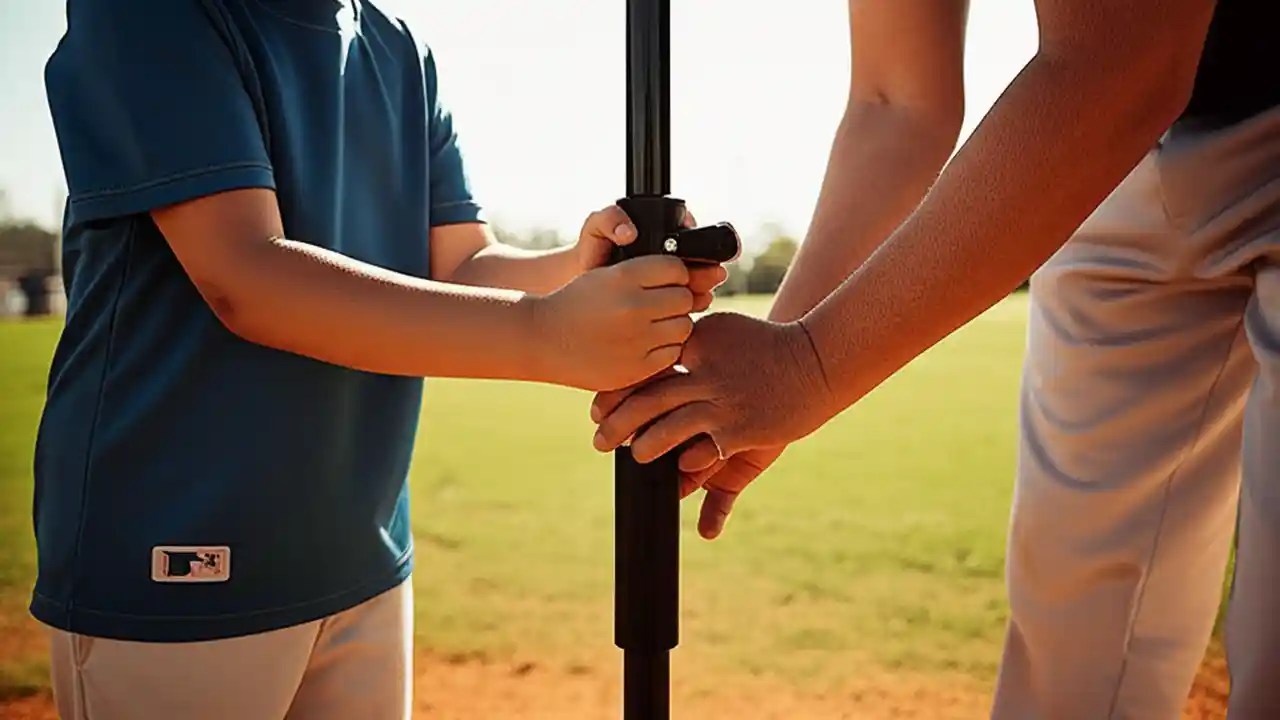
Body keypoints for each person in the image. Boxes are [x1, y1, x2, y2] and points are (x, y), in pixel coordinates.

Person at [34, 1, 723, 718]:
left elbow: (460, 266)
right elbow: (245, 276)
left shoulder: (396, 49)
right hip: (175, 554)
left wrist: (586, 273)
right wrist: (548, 333)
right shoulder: (147, 13)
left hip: (362, 553)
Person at [592, 0, 1280, 716]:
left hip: (1124, 88)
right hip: (1133, 151)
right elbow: (897, 102)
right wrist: (777, 369)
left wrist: (811, 366)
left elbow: (1126, 59)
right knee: (1071, 636)